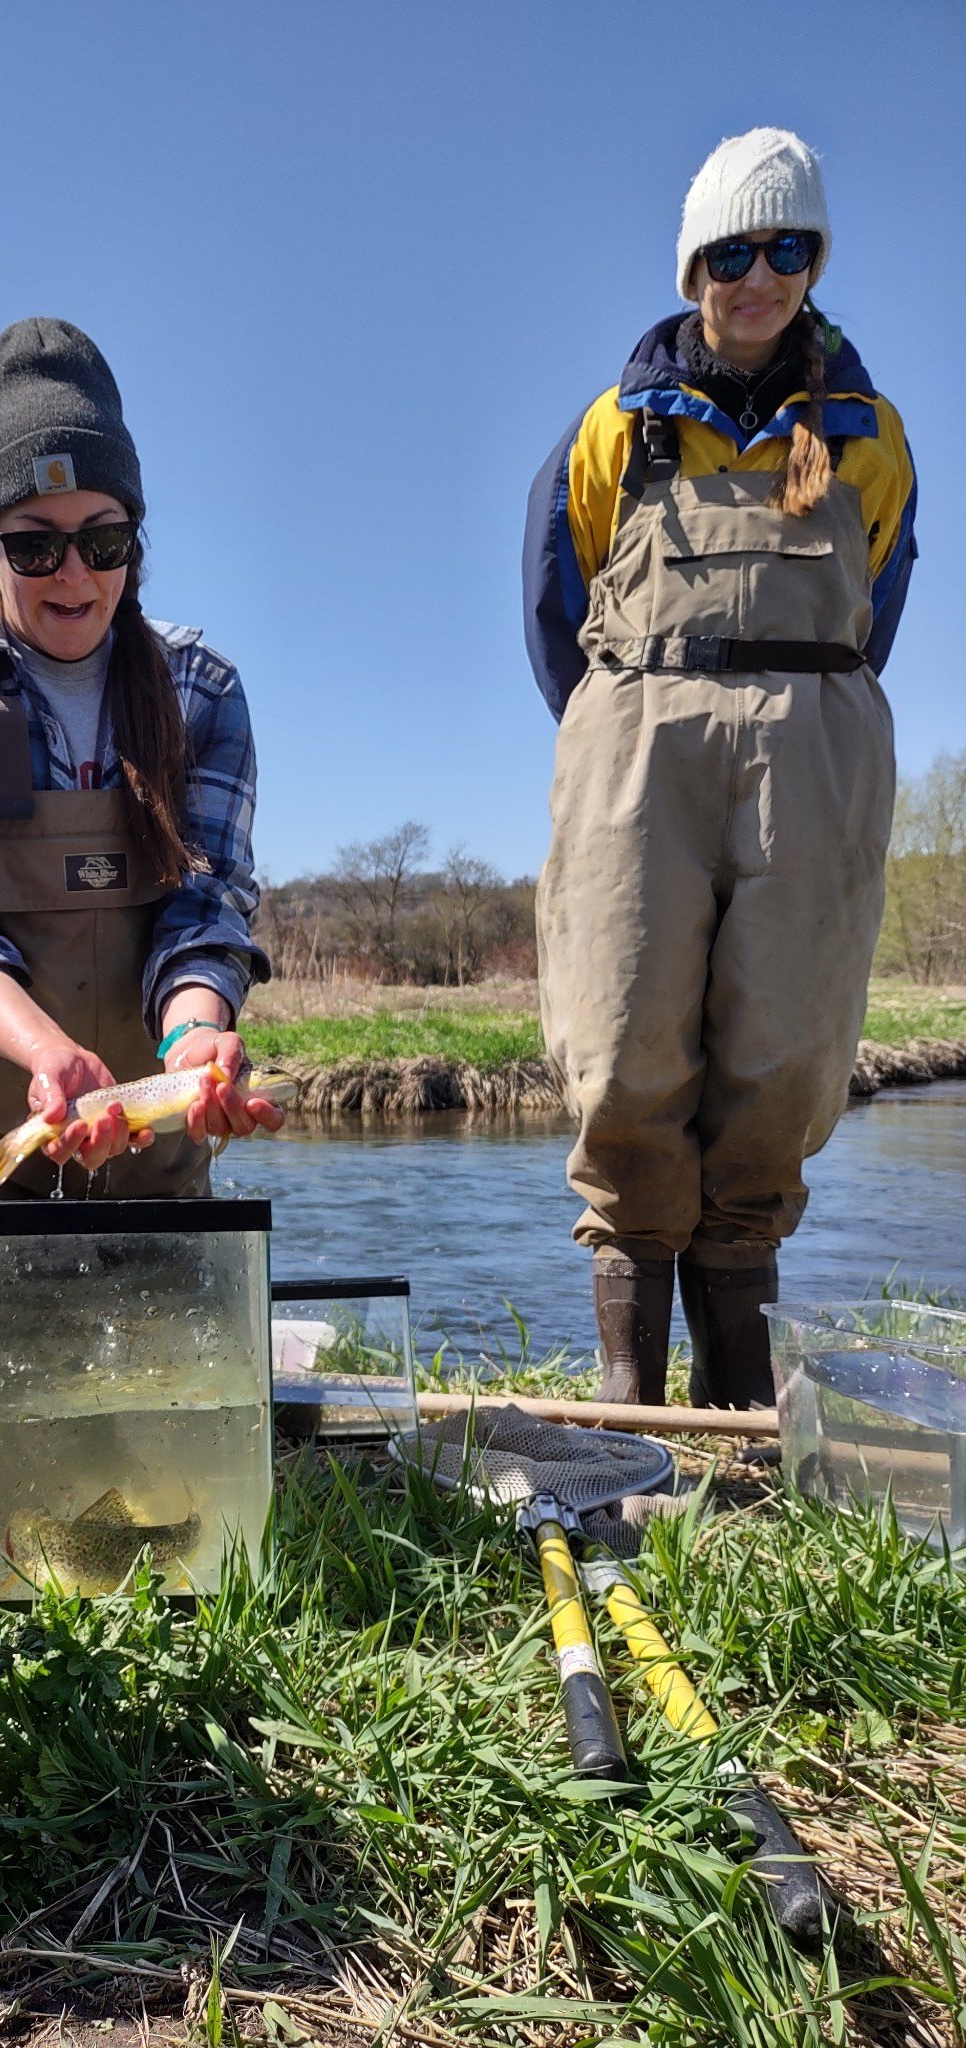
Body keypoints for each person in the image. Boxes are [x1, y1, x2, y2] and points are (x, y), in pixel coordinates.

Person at [522, 129, 917, 1410]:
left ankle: (737, 1363)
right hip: (640, 748)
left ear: (814, 262)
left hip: (814, 755)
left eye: (789, 249)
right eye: (734, 251)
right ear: (694, 262)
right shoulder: (613, 429)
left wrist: (805, 732)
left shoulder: (866, 436)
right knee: (627, 1036)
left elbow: (879, 610)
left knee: (790, 1051)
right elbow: (555, 609)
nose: (761, 276)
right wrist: (622, 740)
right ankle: (631, 1369)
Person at [0, 317, 280, 1460]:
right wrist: (48, 1056)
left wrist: (194, 1042)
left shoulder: (203, 688)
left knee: (145, 1433)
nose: (74, 574)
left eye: (103, 538)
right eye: (35, 545)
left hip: (136, 1128)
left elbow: (205, 909)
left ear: (138, 535)